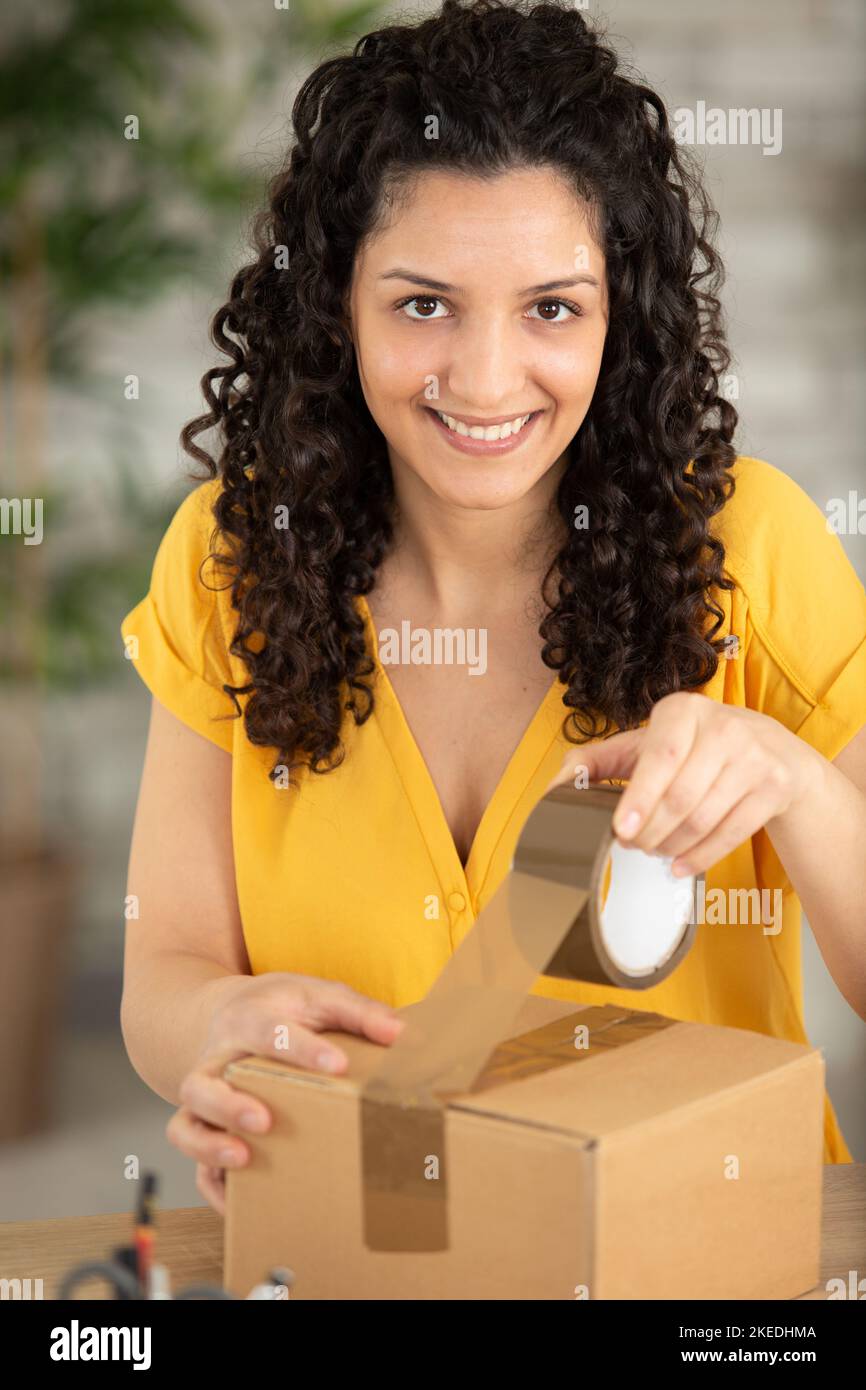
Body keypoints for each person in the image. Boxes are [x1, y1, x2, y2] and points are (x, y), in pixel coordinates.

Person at [120, 0, 866, 1215]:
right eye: (422, 304)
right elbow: (165, 968)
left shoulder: (751, 548)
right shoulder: (232, 559)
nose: (481, 379)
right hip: (376, 1246)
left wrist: (793, 782)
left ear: (619, 314)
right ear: (334, 304)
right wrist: (212, 1023)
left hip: (710, 1250)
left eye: (549, 308)